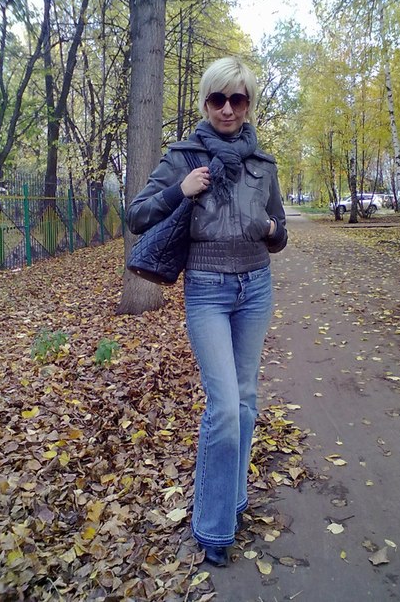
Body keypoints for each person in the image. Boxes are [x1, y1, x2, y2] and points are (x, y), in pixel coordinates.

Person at [126, 56, 287, 567]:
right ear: (205, 102)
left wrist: (271, 230)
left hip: (255, 288)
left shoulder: (264, 165)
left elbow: (280, 231)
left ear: (249, 104)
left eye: (237, 99)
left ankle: (232, 500)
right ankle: (214, 528)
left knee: (246, 401)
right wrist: (182, 189)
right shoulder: (184, 157)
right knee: (223, 407)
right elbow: (136, 215)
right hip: (207, 291)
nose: (227, 109)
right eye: (218, 99)